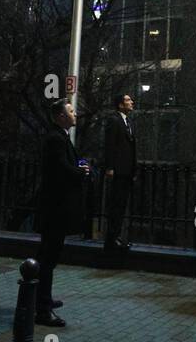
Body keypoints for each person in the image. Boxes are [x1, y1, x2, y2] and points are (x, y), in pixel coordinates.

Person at [35, 100, 90, 327]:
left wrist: (81, 166)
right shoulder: (55, 138)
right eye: (70, 110)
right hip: (54, 208)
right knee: (48, 257)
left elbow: (67, 163)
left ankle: (43, 299)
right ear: (59, 116)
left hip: (55, 208)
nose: (74, 113)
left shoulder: (61, 137)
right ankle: (42, 308)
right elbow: (60, 168)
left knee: (49, 256)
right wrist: (79, 172)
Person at [101, 92, 136, 253]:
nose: (131, 102)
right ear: (120, 104)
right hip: (119, 171)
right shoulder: (114, 120)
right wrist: (110, 167)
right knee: (116, 205)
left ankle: (116, 237)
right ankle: (111, 239)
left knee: (121, 206)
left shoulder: (127, 121)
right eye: (128, 100)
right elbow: (110, 145)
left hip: (126, 170)